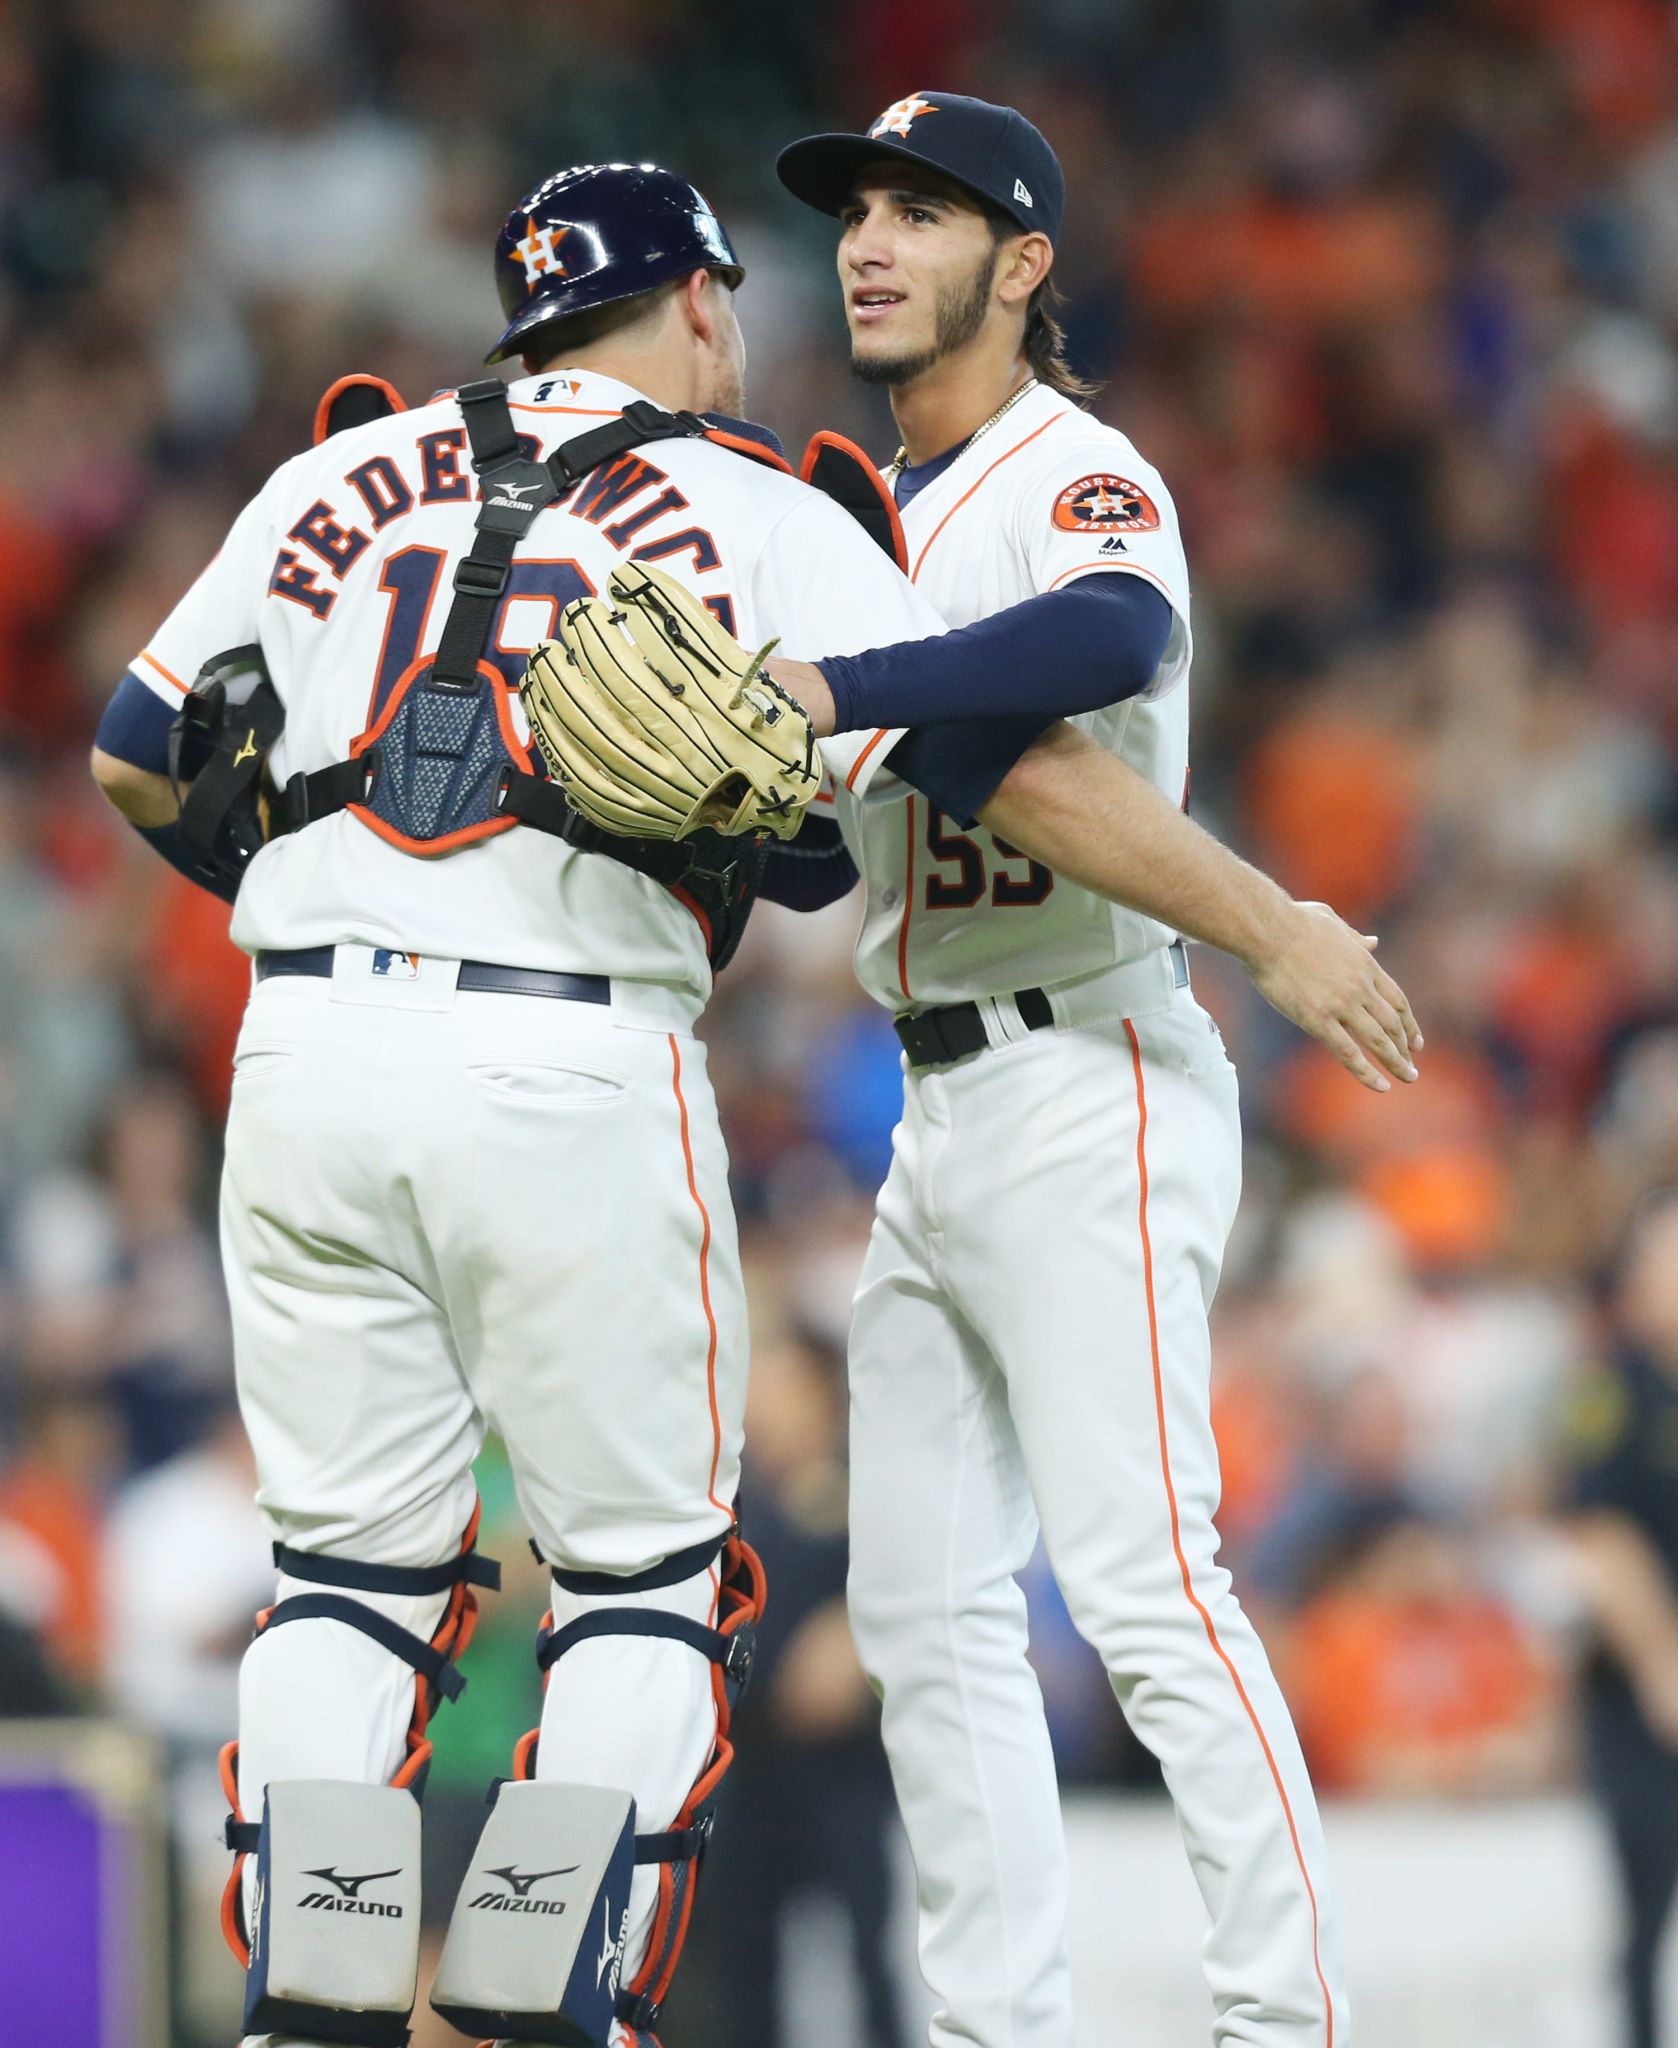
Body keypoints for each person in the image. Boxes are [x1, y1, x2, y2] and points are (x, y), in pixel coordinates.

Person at [88, 155, 1409, 2048]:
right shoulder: (741, 499)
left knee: (352, 1586)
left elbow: (139, 753)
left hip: (299, 1046)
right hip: (566, 1055)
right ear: (701, 306)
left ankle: (326, 1991)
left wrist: (337, 894)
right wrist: (1271, 919)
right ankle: (537, 1979)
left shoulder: (324, 479)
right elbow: (1002, 766)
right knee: (636, 1578)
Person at [757, 92, 1388, 2046]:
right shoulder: (863, 520)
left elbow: (1104, 629)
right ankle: (988, 2028)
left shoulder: (1068, 466)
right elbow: (828, 832)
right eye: (854, 208)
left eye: (920, 212)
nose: (868, 239)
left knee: (1142, 1586)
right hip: (936, 1103)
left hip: (1089, 1062)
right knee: (922, 1617)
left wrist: (839, 687)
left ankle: (1280, 2022)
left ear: (1020, 265)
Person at [1566, 1186, 1678, 2048]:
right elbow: (1600, 1536)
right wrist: (1660, 1664)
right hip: (1639, 1710)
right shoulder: (1615, 1395)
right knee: (1647, 1905)